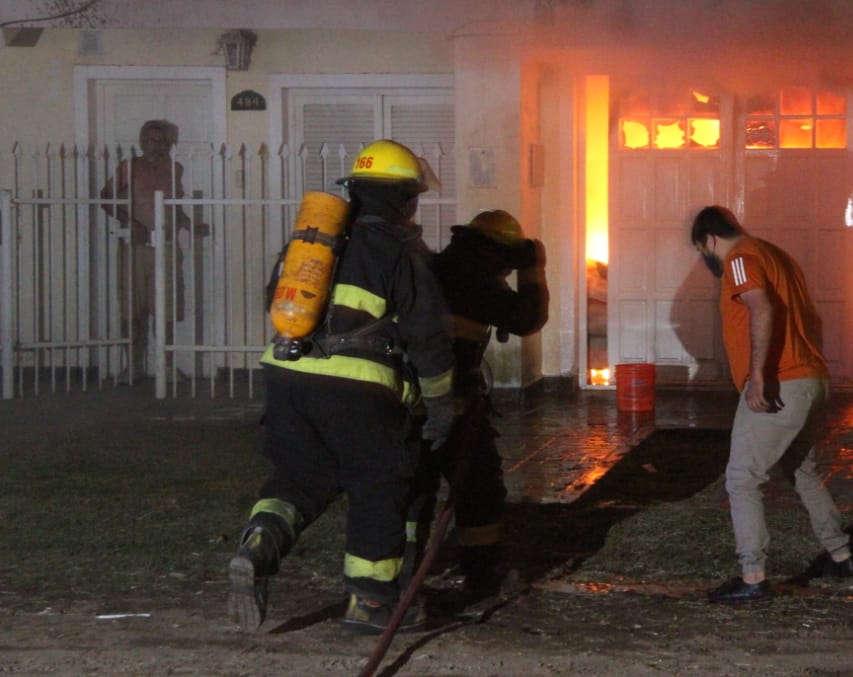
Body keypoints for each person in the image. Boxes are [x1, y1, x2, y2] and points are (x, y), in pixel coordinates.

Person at [228, 139, 454, 635]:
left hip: (288, 376)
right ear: (406, 198)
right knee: (378, 483)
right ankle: (370, 602)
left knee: (299, 477)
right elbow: (428, 336)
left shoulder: (314, 240)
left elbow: (276, 299)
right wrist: (441, 404)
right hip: (358, 389)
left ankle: (262, 537)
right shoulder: (399, 249)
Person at [690, 205, 853, 604]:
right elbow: (807, 315)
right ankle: (841, 554)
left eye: (703, 250)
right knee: (802, 469)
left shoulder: (740, 260)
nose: (707, 259)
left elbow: (761, 307)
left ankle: (752, 576)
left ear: (709, 240)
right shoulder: (777, 256)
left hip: (783, 383)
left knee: (742, 478)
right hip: (811, 380)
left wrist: (759, 376)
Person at [406, 209, 548, 599]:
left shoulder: (437, 266)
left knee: (411, 488)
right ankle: (483, 572)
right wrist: (533, 268)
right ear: (500, 253)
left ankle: (401, 571)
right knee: (478, 487)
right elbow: (528, 317)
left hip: (405, 400)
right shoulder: (475, 279)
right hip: (450, 403)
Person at [99, 119, 206, 380]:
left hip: (167, 247)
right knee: (132, 307)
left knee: (165, 308)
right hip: (134, 247)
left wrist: (191, 226)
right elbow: (105, 198)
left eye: (159, 141)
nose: (154, 146)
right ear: (141, 141)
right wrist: (130, 221)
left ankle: (165, 365)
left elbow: (175, 207)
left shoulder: (174, 169)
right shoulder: (130, 167)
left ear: (168, 144)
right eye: (149, 140)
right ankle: (132, 366)